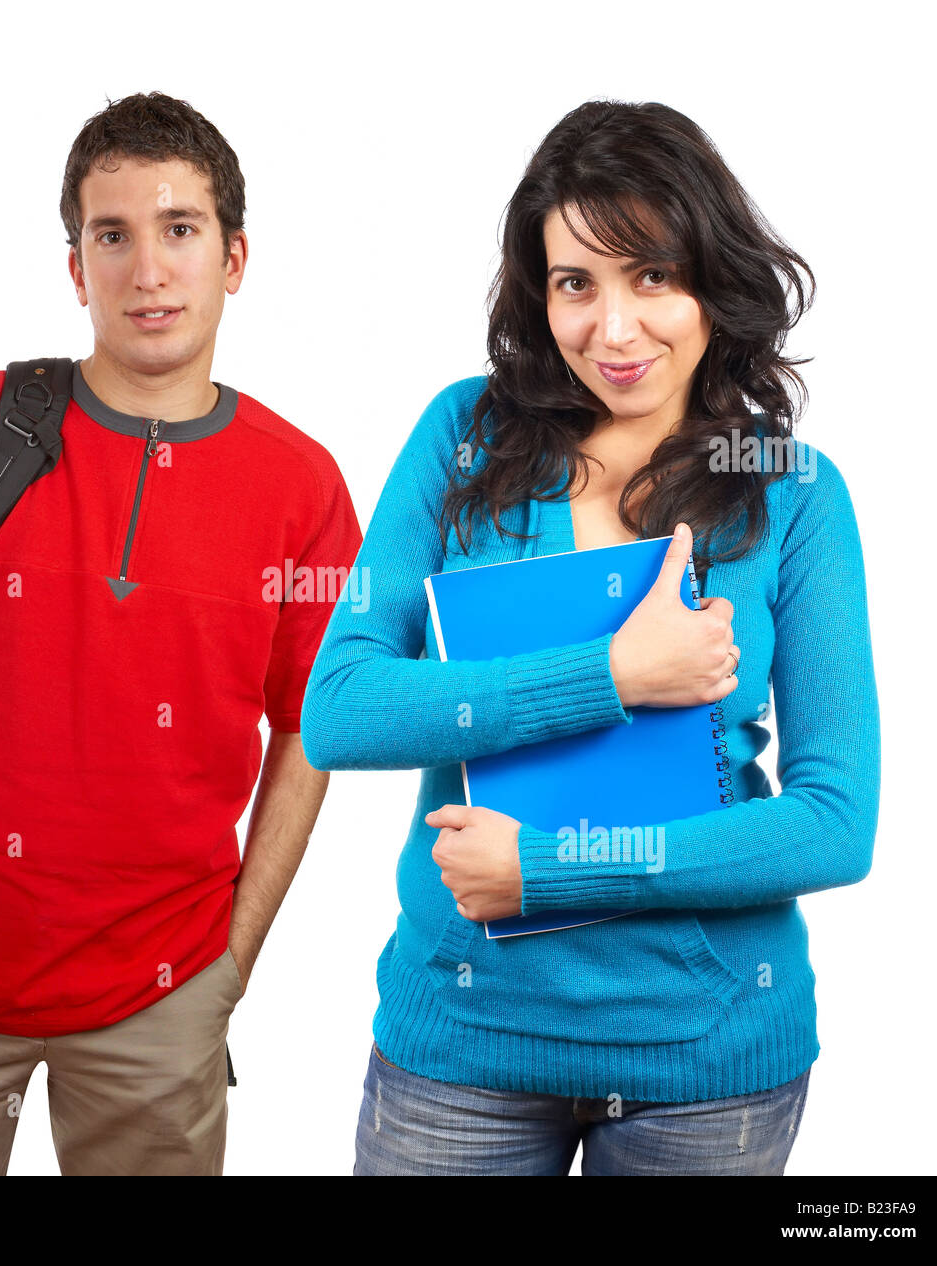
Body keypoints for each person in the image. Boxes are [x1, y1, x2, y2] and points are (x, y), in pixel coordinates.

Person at [0, 91, 363, 1176]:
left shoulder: (303, 487)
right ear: (74, 266)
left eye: (179, 230)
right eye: (112, 235)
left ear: (235, 257)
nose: (147, 271)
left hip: (161, 993)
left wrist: (231, 962)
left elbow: (311, 733)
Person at [300, 99, 879, 1176]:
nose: (613, 330)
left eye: (651, 275)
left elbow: (833, 823)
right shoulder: (461, 438)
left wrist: (554, 871)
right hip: (462, 1050)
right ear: (540, 293)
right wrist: (612, 674)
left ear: (714, 275)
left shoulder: (792, 493)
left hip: (708, 1065)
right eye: (576, 284)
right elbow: (339, 710)